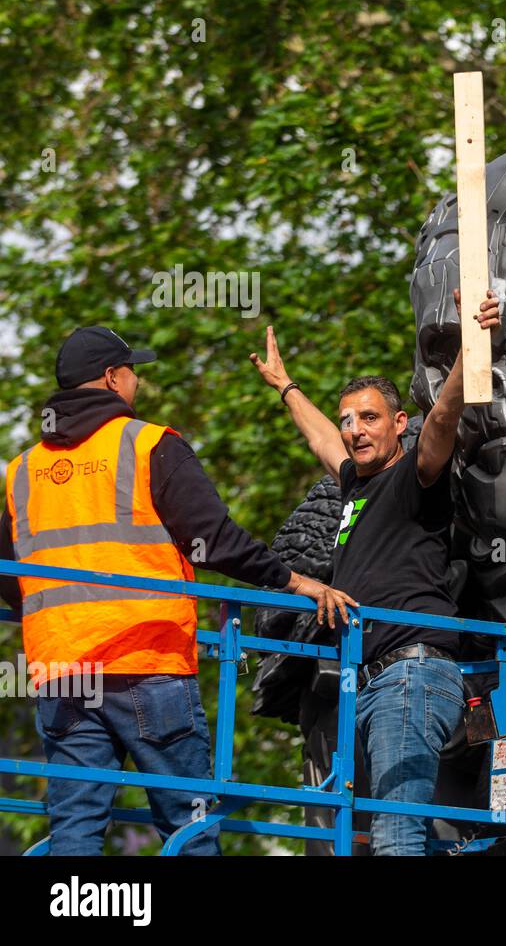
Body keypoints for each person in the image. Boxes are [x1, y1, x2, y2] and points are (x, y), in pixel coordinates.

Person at [0, 325, 354, 855]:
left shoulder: (22, 470)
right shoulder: (148, 444)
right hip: (149, 662)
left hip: (62, 672)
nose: (136, 381)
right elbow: (213, 539)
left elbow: (11, 579)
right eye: (133, 371)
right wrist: (296, 580)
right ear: (112, 378)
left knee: (73, 832)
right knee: (187, 828)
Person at [249, 289, 501, 855]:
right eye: (349, 421)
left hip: (411, 674)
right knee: (363, 838)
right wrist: (286, 387)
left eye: (369, 418)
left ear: (397, 423)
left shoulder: (413, 477)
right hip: (366, 681)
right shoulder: (353, 486)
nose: (355, 430)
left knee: (395, 833)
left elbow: (443, 419)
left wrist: (469, 341)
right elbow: (318, 435)